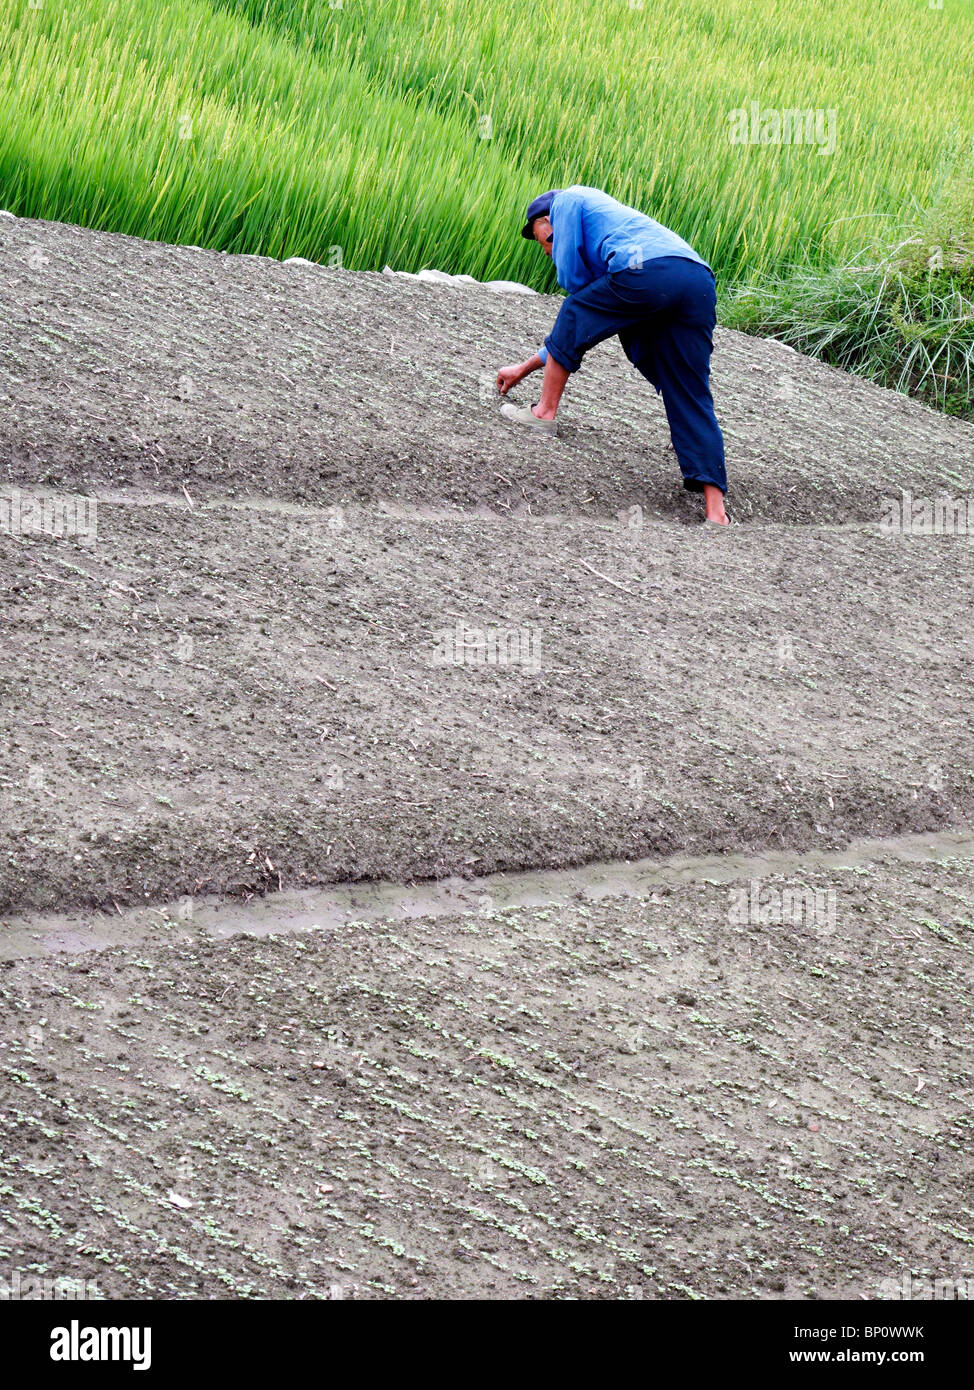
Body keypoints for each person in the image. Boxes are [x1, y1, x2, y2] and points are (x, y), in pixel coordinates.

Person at [496, 185, 729, 525]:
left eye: (543, 239)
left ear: (547, 219)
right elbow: (586, 321)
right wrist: (526, 367)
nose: (545, 250)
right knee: (688, 389)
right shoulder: (614, 225)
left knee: (574, 310)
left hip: (646, 269)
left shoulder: (569, 200)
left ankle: (544, 413)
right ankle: (716, 512)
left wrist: (574, 303)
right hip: (696, 280)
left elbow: (576, 298)